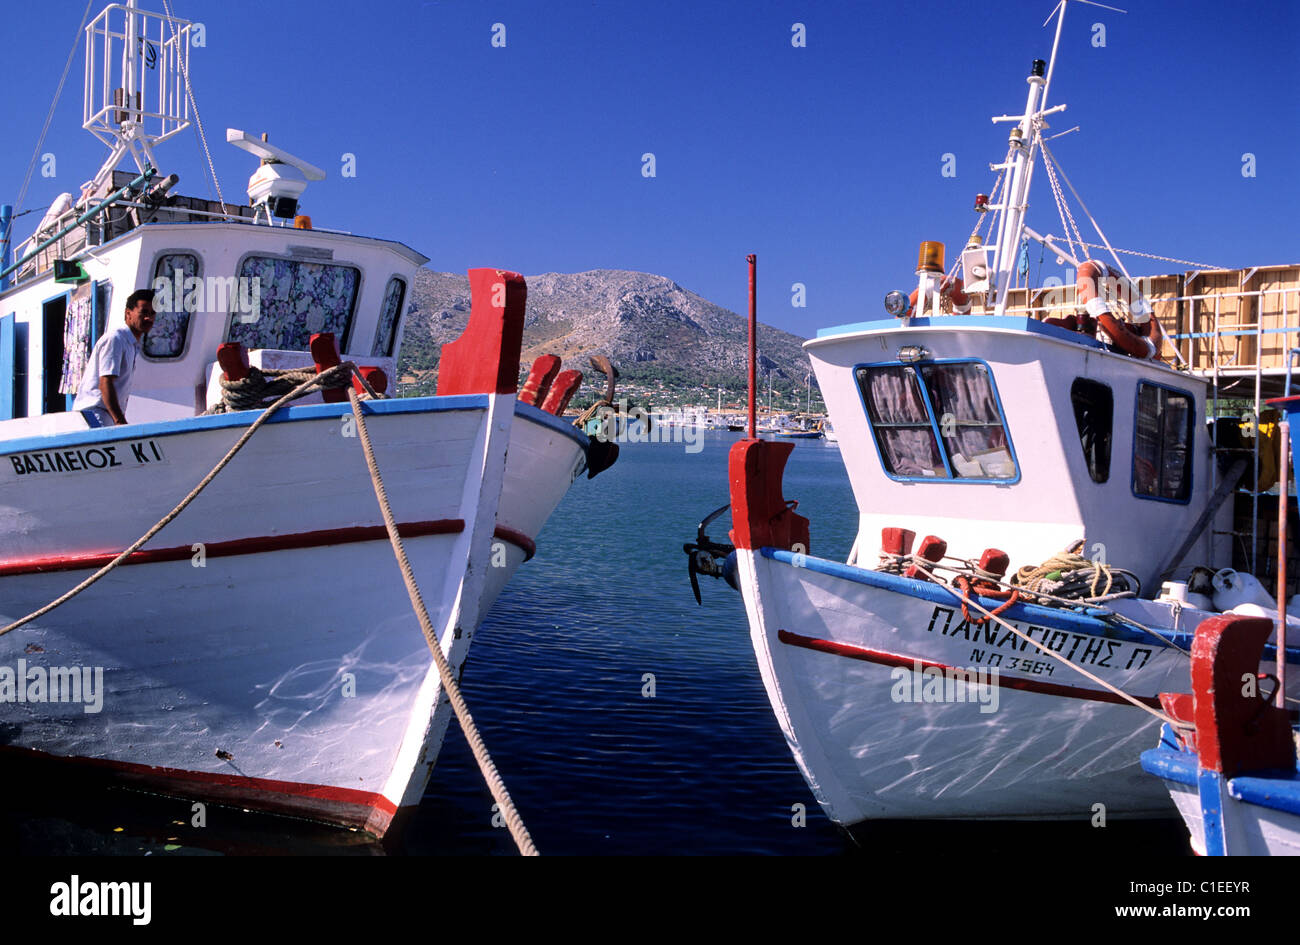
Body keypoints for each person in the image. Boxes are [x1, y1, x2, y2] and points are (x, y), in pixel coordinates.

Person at [72, 289, 156, 426]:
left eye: (152, 314)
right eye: (144, 313)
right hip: (95, 414)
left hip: (106, 415)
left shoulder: (131, 344)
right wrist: (120, 421)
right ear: (128, 313)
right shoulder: (116, 339)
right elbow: (105, 383)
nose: (149, 318)